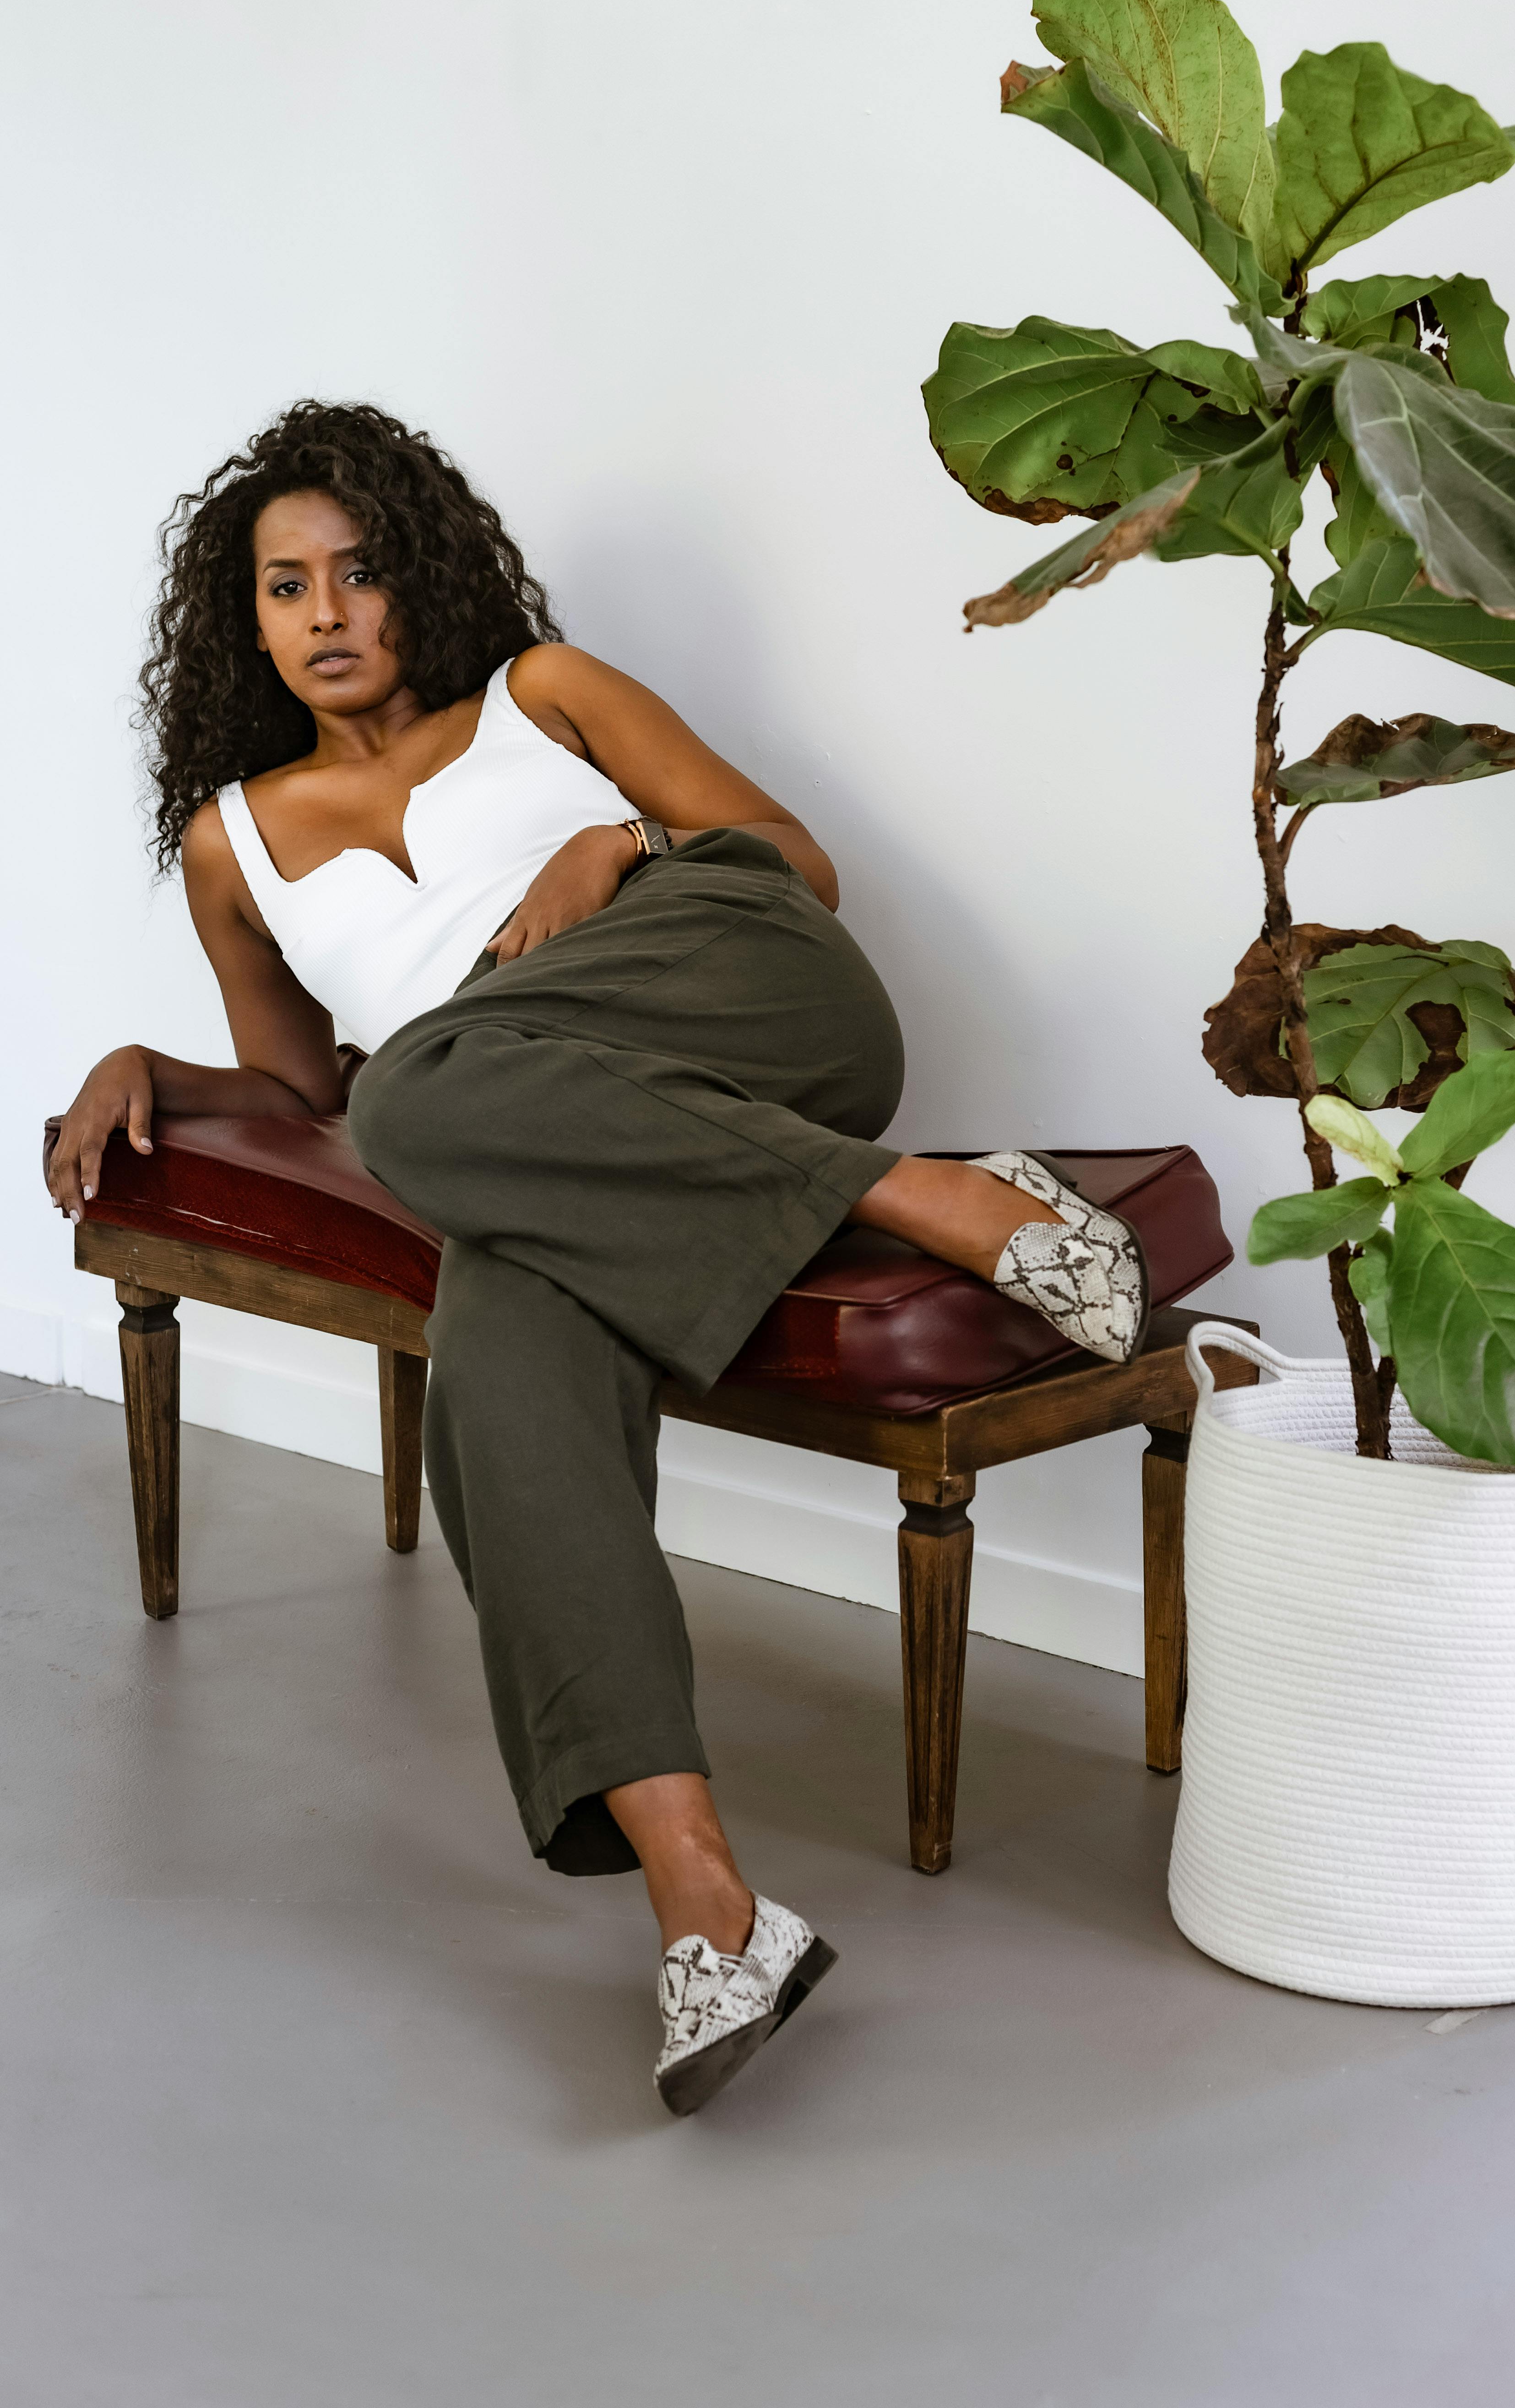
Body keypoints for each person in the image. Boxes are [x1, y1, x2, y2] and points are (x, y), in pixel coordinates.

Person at [45, 401, 1147, 2115]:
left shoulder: (545, 695)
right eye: (284, 588)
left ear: (424, 579)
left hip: (740, 984)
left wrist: (620, 842)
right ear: (241, 620)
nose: (328, 613)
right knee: (498, 1361)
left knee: (436, 1091)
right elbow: (308, 1092)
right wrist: (149, 1072)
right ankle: (710, 1906)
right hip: (511, 1130)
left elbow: (801, 868)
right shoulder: (233, 841)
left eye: (362, 572)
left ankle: (931, 1191)